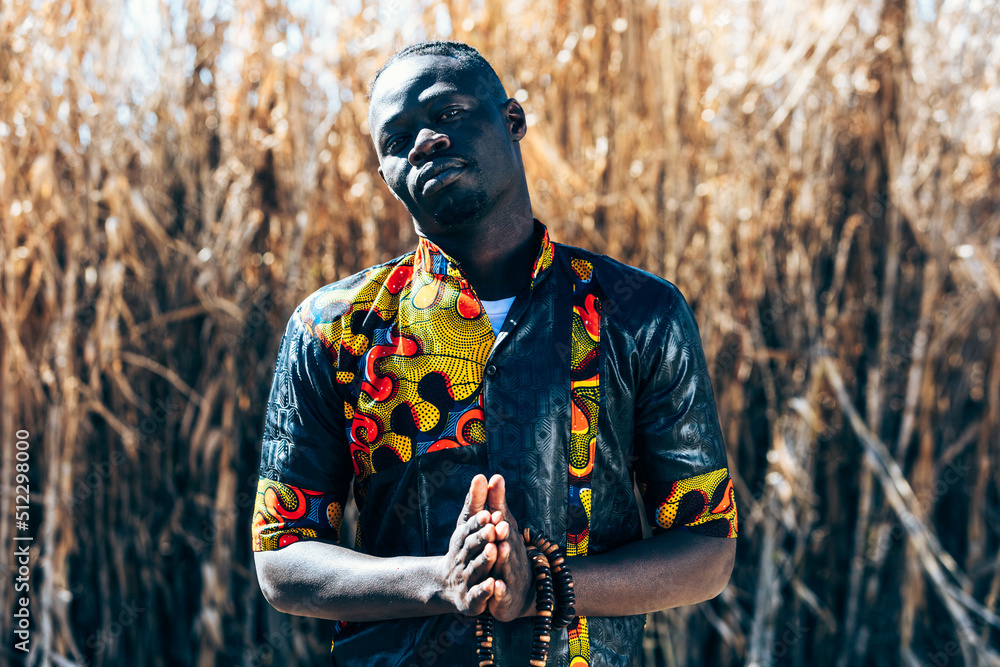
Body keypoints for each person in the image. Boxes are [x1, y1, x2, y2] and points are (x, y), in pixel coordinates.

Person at [252, 41, 737, 667]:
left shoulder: (639, 312)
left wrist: (541, 590)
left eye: (448, 114)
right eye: (396, 139)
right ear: (385, 177)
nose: (424, 141)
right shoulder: (334, 327)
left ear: (513, 121)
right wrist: (441, 581)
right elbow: (282, 557)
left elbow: (706, 548)